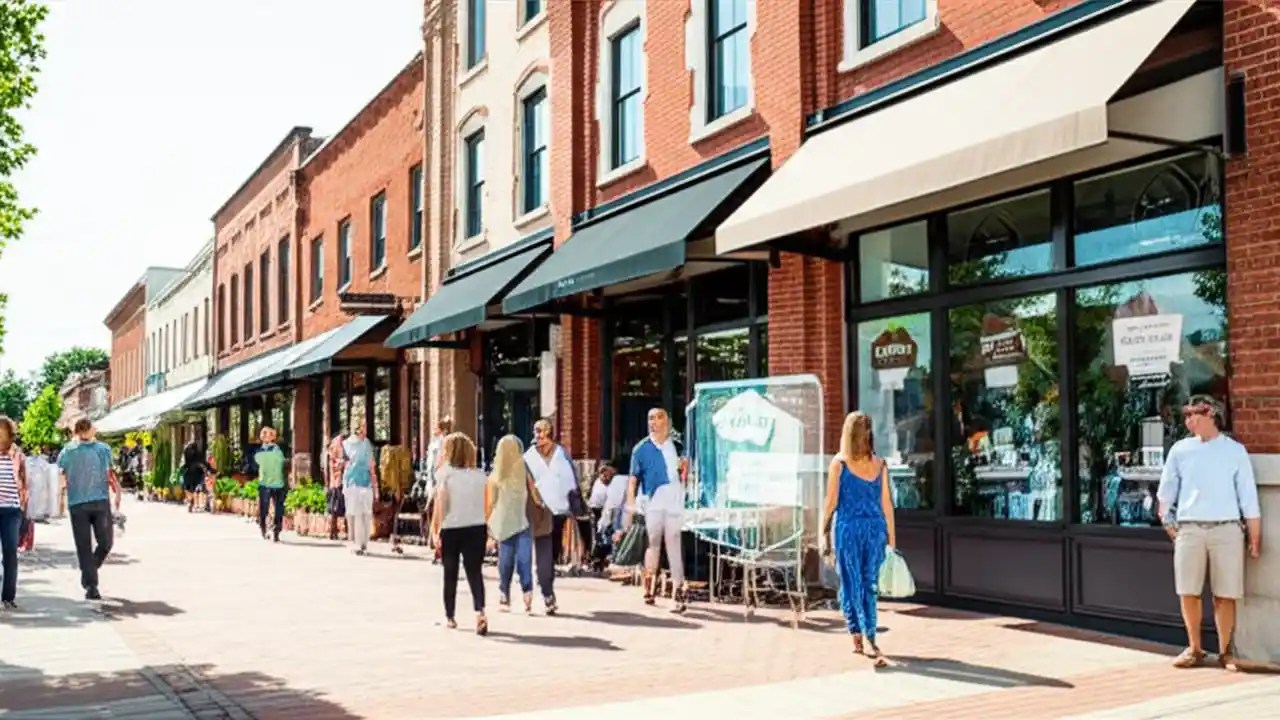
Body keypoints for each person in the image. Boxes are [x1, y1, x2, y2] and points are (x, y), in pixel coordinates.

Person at [1157, 395, 1262, 672]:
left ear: (1212, 414)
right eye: (1186, 415)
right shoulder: (1180, 450)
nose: (1190, 419)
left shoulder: (1234, 451)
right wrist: (1168, 523)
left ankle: (1225, 651)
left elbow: (1248, 496)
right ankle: (1194, 648)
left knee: (1225, 593)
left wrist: (1254, 536)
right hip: (1190, 527)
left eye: (1195, 413)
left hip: (1226, 527)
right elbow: (1166, 491)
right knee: (1187, 590)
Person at [822, 411, 895, 667]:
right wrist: (892, 539)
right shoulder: (880, 464)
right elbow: (887, 504)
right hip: (875, 530)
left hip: (848, 529)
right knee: (869, 584)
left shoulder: (839, 464)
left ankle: (857, 635)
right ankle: (871, 636)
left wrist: (822, 532)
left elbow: (830, 503)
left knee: (851, 582)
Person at [623, 408, 689, 613]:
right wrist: (630, 505)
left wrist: (686, 474)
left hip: (674, 503)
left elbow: (687, 472)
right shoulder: (641, 448)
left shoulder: (677, 446)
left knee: (674, 543)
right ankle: (649, 582)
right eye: (650, 418)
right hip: (652, 504)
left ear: (667, 422)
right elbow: (633, 479)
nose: (654, 422)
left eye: (658, 418)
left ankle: (678, 589)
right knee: (653, 543)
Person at [57, 418, 121, 601]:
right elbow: (61, 475)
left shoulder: (103, 449)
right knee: (83, 545)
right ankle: (92, 586)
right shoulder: (68, 451)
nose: (96, 429)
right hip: (78, 503)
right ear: (83, 431)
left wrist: (117, 491)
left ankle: (88, 571)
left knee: (106, 542)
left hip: (100, 500)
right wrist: (61, 497)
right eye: (92, 427)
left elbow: (109, 473)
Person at [430, 432, 489, 634]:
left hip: (452, 528)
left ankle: (450, 616)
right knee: (474, 572)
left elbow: (441, 505)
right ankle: (480, 611)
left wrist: (436, 530)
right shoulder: (481, 476)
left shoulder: (445, 476)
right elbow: (487, 504)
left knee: (450, 573)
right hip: (476, 527)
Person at [524, 418, 578, 613]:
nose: (538, 435)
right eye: (536, 431)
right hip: (539, 511)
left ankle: (546, 577)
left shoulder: (561, 454)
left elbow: (572, 478)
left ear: (550, 433)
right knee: (544, 550)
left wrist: (575, 503)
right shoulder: (529, 457)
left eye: (542, 431)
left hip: (560, 509)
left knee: (553, 549)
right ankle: (548, 592)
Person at [487, 435, 539, 614]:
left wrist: (489, 525)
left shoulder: (496, 472)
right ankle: (526, 594)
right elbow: (534, 491)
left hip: (505, 523)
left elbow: (491, 502)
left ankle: (505, 594)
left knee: (506, 561)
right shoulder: (524, 468)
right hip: (521, 520)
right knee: (524, 559)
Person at [0, 416, 28, 609]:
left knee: (10, 553)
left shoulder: (17, 454)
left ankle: (8, 597)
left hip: (11, 510)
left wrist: (24, 509)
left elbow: (24, 482)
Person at [343, 423, 378, 556]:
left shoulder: (366, 443)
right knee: (356, 514)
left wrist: (375, 486)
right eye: (362, 428)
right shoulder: (346, 444)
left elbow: (371, 465)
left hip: (365, 483)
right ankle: (358, 543)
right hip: (353, 483)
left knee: (366, 514)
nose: (365, 431)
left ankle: (364, 542)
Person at [255, 426, 288, 542]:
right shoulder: (261, 451)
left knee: (279, 509)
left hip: (277, 483)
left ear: (274, 436)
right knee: (264, 509)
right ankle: (263, 527)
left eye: (268, 433)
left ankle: (276, 531)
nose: (265, 436)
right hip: (264, 483)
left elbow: (282, 462)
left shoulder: (278, 450)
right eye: (263, 433)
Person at [326, 433, 347, 541]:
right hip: (338, 482)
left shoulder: (332, 451)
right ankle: (334, 531)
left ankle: (335, 531)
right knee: (338, 507)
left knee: (337, 508)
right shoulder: (335, 452)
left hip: (337, 483)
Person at [179, 440, 210, 513]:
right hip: (198, 473)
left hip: (189, 472)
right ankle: (197, 503)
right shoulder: (198, 454)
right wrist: (207, 469)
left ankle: (190, 500)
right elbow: (202, 463)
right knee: (198, 489)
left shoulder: (186, 452)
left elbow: (184, 463)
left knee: (189, 489)